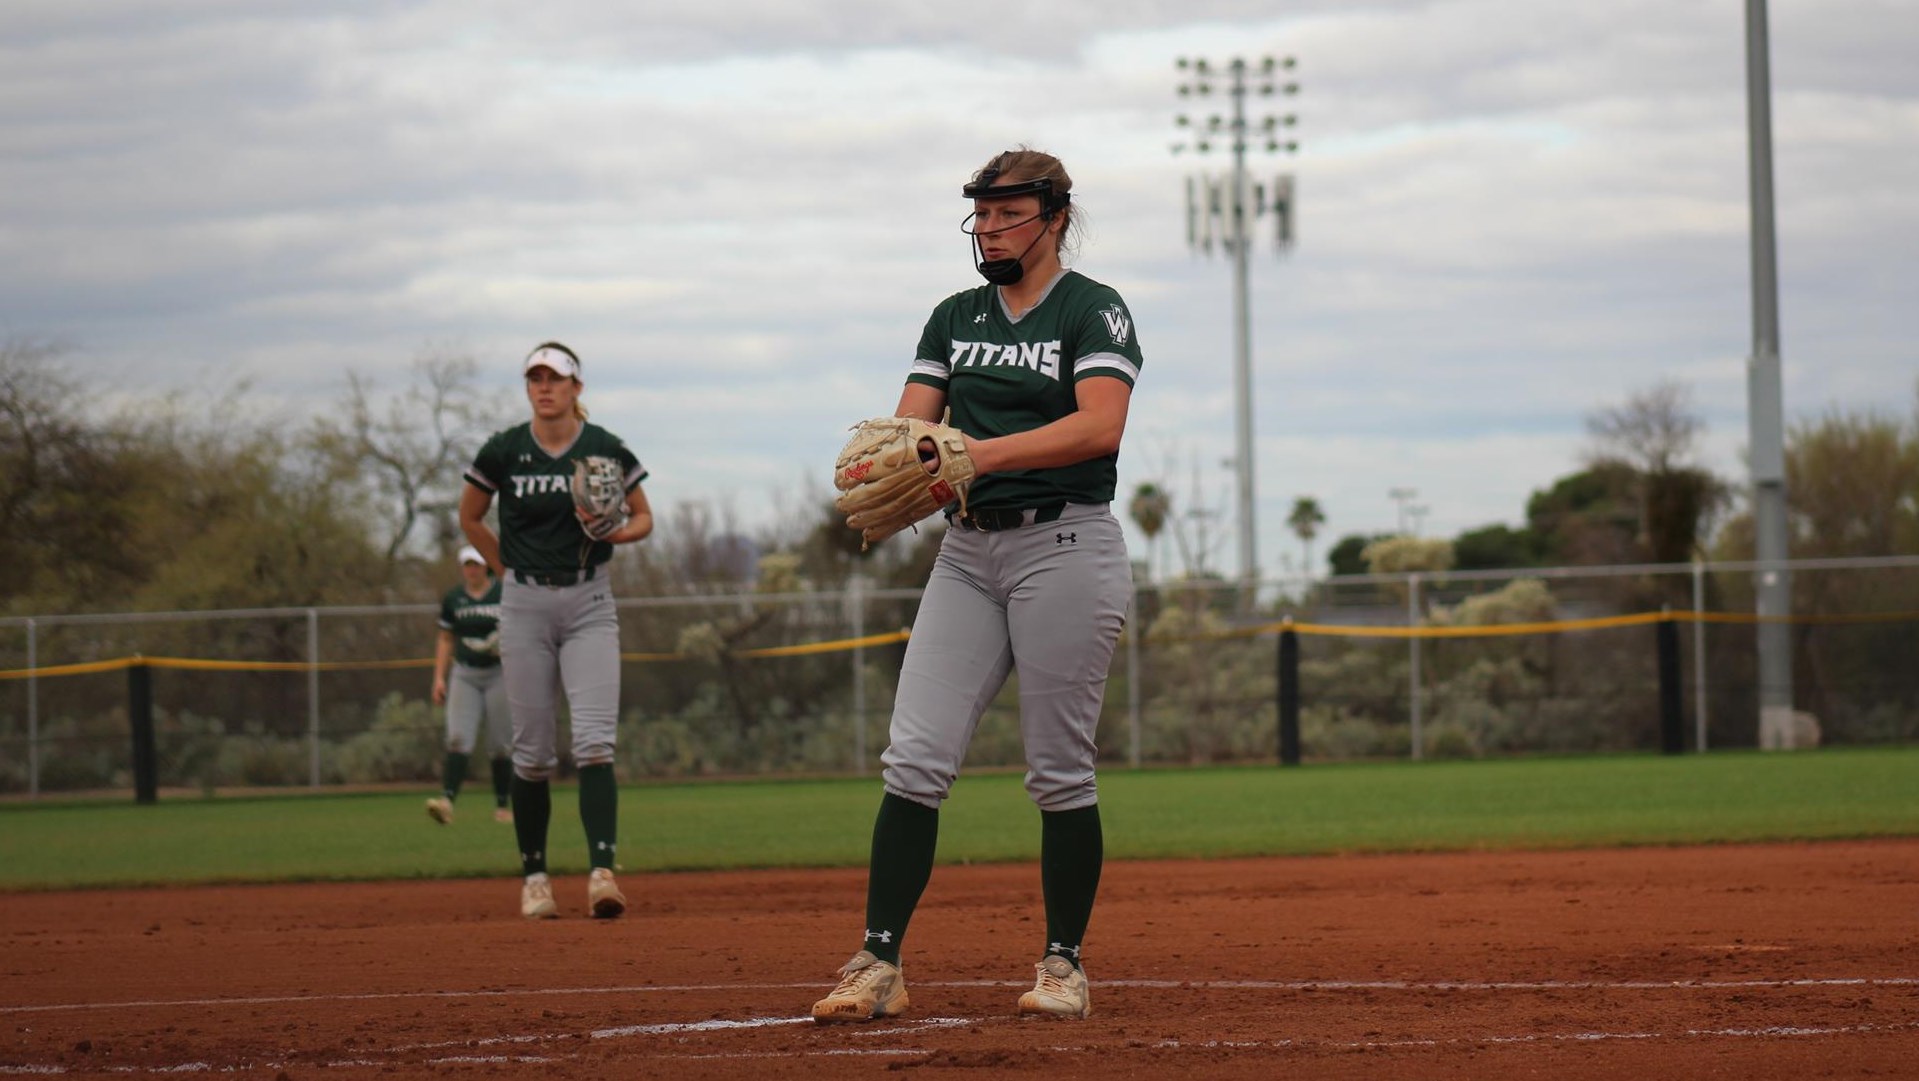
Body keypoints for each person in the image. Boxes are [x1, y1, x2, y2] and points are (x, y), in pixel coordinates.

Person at [812, 147, 1142, 1022]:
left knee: (1058, 770)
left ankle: (1063, 964)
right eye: (981, 215)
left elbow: (1099, 425)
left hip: (1065, 543)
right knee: (913, 757)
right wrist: (896, 462)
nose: (988, 229)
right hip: (967, 552)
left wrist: (977, 453)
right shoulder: (953, 316)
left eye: (1007, 214)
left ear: (1054, 218)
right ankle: (879, 961)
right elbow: (914, 432)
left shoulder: (1092, 308)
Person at [459, 341, 654, 920]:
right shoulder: (505, 450)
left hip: (589, 598)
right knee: (533, 752)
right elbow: (470, 515)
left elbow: (644, 516)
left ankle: (601, 874)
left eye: (555, 378)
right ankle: (535, 879)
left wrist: (615, 533)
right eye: (535, 378)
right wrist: (504, 569)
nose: (544, 387)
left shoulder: (603, 446)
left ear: (576, 388)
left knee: (594, 742)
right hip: (523, 603)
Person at [424, 545, 514, 826]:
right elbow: (445, 638)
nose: (472, 570)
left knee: (501, 744)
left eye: (476, 564)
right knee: (458, 738)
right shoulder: (454, 598)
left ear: (486, 566)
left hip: (499, 673)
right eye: (467, 565)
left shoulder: (504, 592)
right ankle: (446, 802)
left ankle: (503, 806)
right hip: (465, 673)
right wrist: (439, 678)